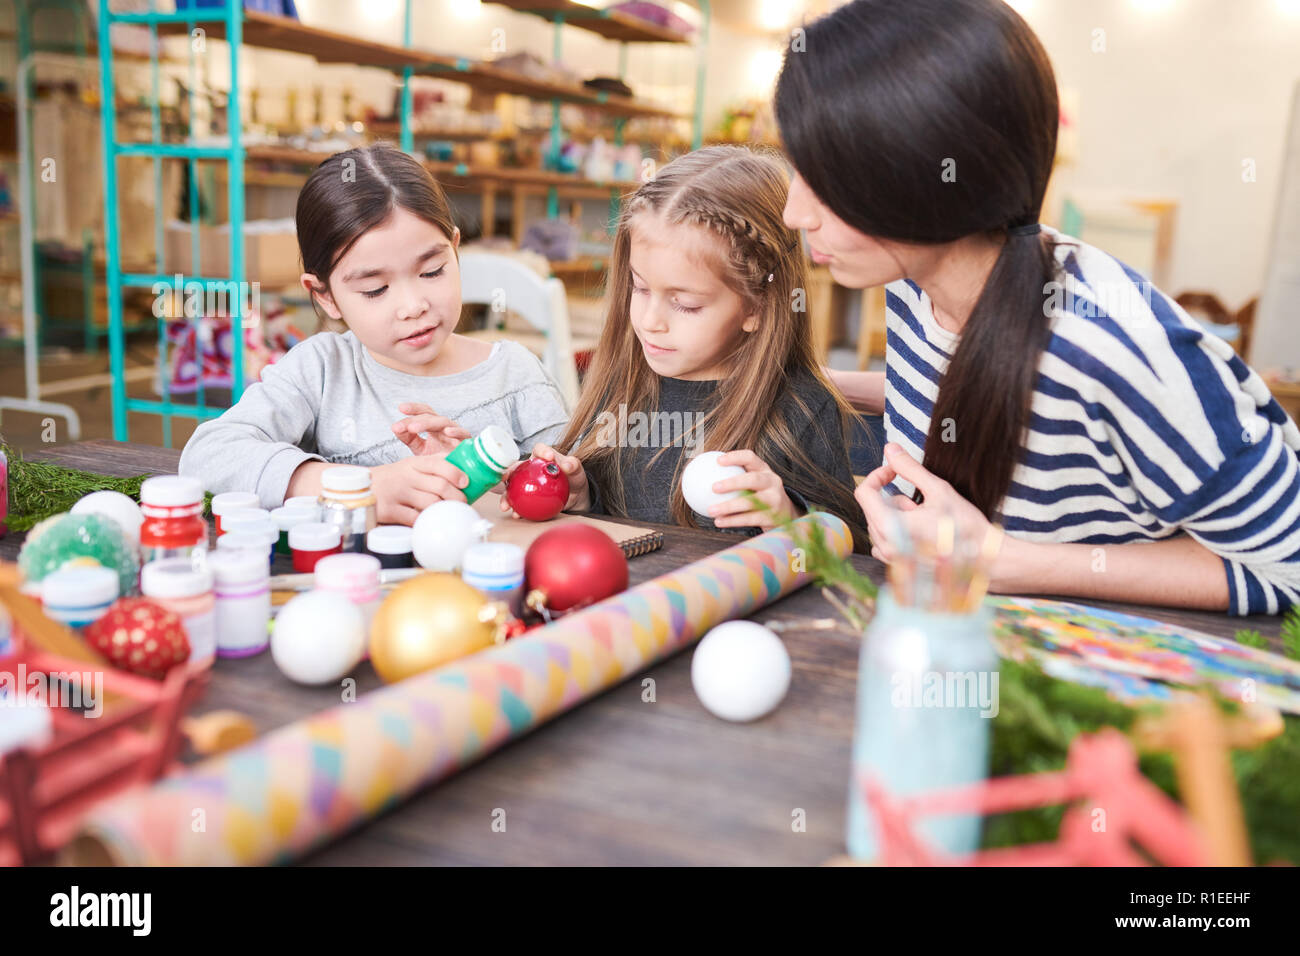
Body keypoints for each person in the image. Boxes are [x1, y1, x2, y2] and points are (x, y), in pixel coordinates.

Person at [777, 0, 1300, 614]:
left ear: (923, 180)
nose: (794, 212)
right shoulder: (913, 279)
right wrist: (821, 385)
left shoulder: (1114, 347)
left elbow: (1288, 565)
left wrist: (998, 560)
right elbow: (982, 391)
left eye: (825, 180)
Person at [179, 143, 569, 524]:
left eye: (432, 270)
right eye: (375, 290)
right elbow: (207, 456)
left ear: (454, 248)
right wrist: (359, 487)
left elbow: (584, 490)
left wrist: (538, 484)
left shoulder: (517, 376)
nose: (413, 305)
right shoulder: (320, 370)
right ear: (326, 296)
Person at [510, 146, 867, 548]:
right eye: (640, 287)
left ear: (757, 307)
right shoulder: (625, 381)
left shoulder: (802, 408)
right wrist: (583, 495)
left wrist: (789, 518)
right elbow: (614, 509)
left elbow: (854, 550)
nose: (649, 321)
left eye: (686, 304)